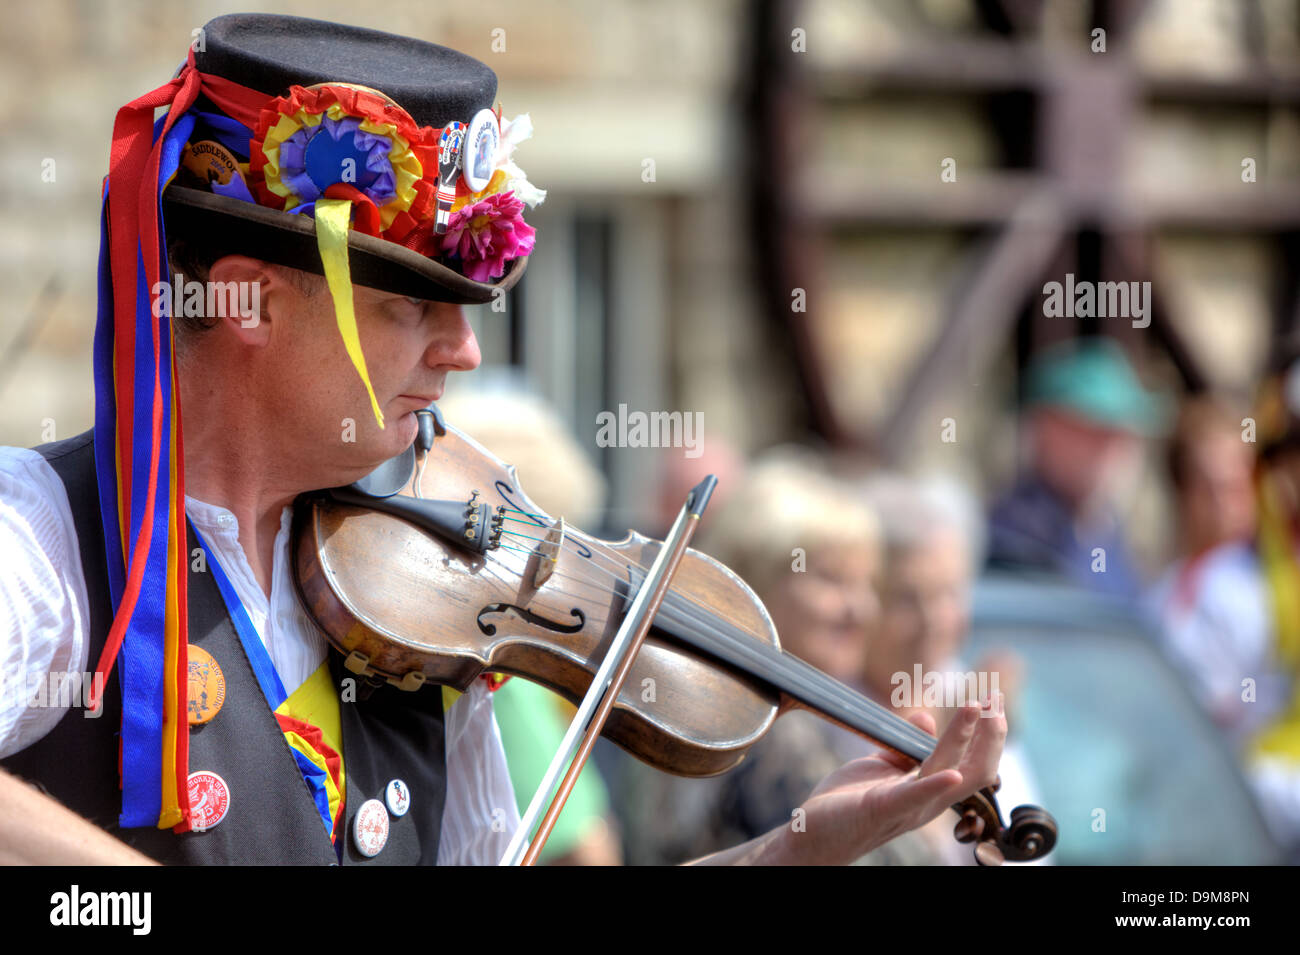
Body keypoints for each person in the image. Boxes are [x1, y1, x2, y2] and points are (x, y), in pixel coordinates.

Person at [0, 14, 1006, 866]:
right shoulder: (41, 540)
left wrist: (799, 846)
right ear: (250, 302)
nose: (465, 351)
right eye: (409, 307)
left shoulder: (418, 610)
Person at [987, 338, 1164, 602]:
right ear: (1046, 431)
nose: (1115, 448)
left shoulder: (1107, 533)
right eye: (1096, 429)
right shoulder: (1013, 542)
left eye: (1123, 432)